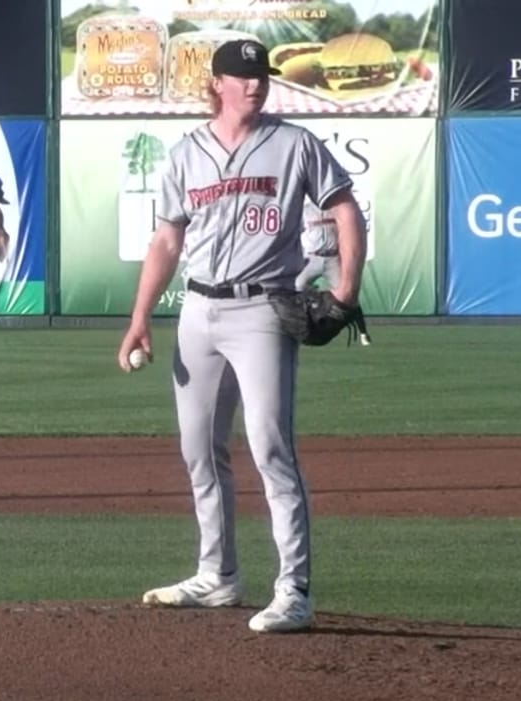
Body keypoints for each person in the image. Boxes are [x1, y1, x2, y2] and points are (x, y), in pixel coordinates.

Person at [116, 38, 368, 633]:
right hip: (198, 309)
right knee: (198, 448)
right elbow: (166, 241)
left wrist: (346, 291)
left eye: (261, 76)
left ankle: (295, 590)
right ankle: (217, 575)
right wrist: (138, 320)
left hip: (263, 310)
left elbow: (347, 210)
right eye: (243, 75)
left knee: (269, 447)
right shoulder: (186, 154)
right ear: (218, 82)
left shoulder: (295, 144)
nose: (255, 84)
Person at [296, 200, 370, 346]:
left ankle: (363, 332)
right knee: (295, 287)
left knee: (349, 295)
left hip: (332, 259)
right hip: (312, 257)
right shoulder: (305, 211)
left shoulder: (334, 209)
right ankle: (295, 328)